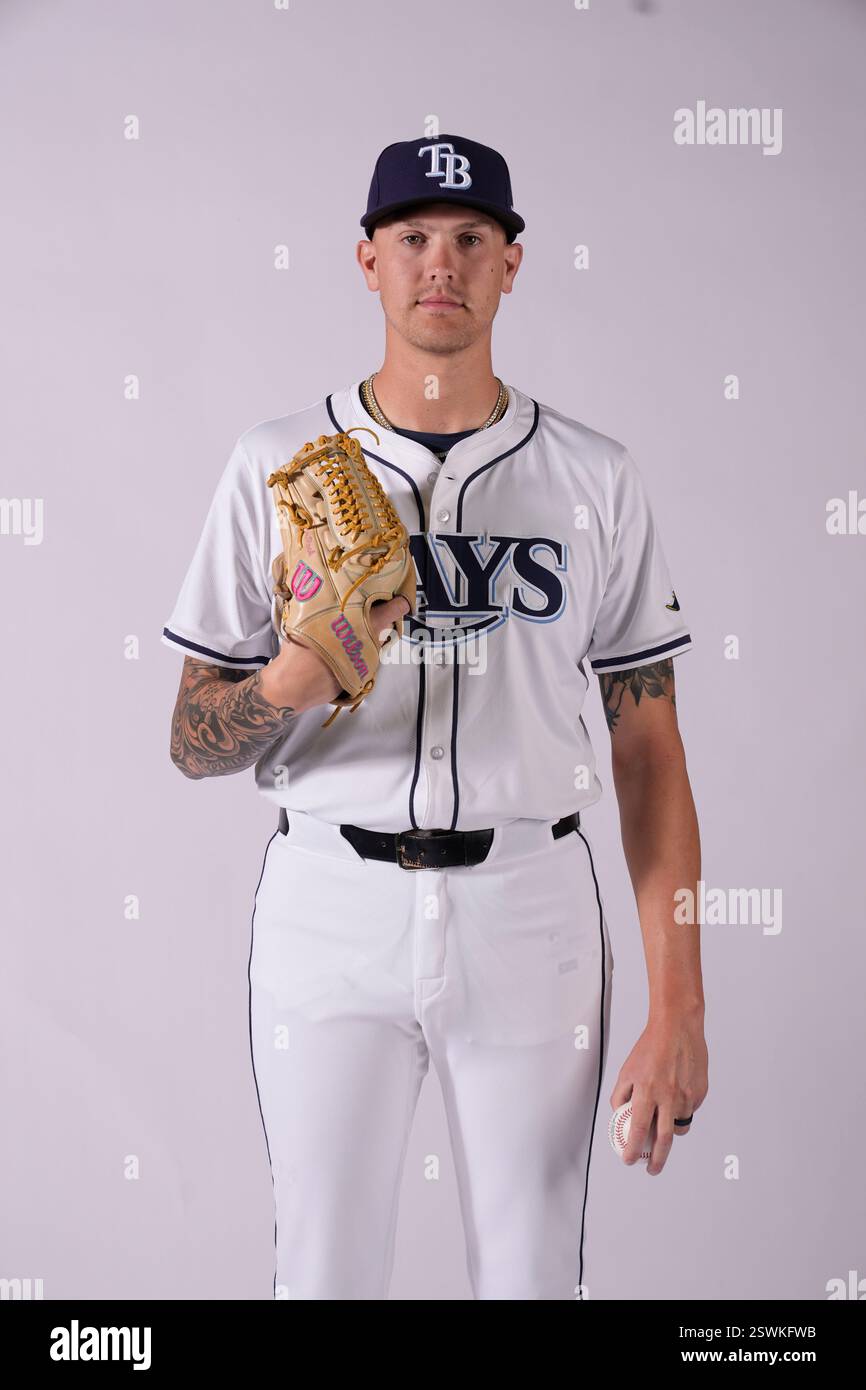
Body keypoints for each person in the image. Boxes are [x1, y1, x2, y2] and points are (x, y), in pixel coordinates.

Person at [162, 133, 708, 1301]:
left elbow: (649, 750)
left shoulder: (592, 476)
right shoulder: (275, 464)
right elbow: (189, 736)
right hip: (327, 906)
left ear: (513, 264)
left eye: (470, 239)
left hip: (533, 905)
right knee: (323, 1276)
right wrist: (287, 683)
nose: (439, 263)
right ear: (367, 262)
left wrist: (679, 1004)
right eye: (412, 238)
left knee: (527, 1279)